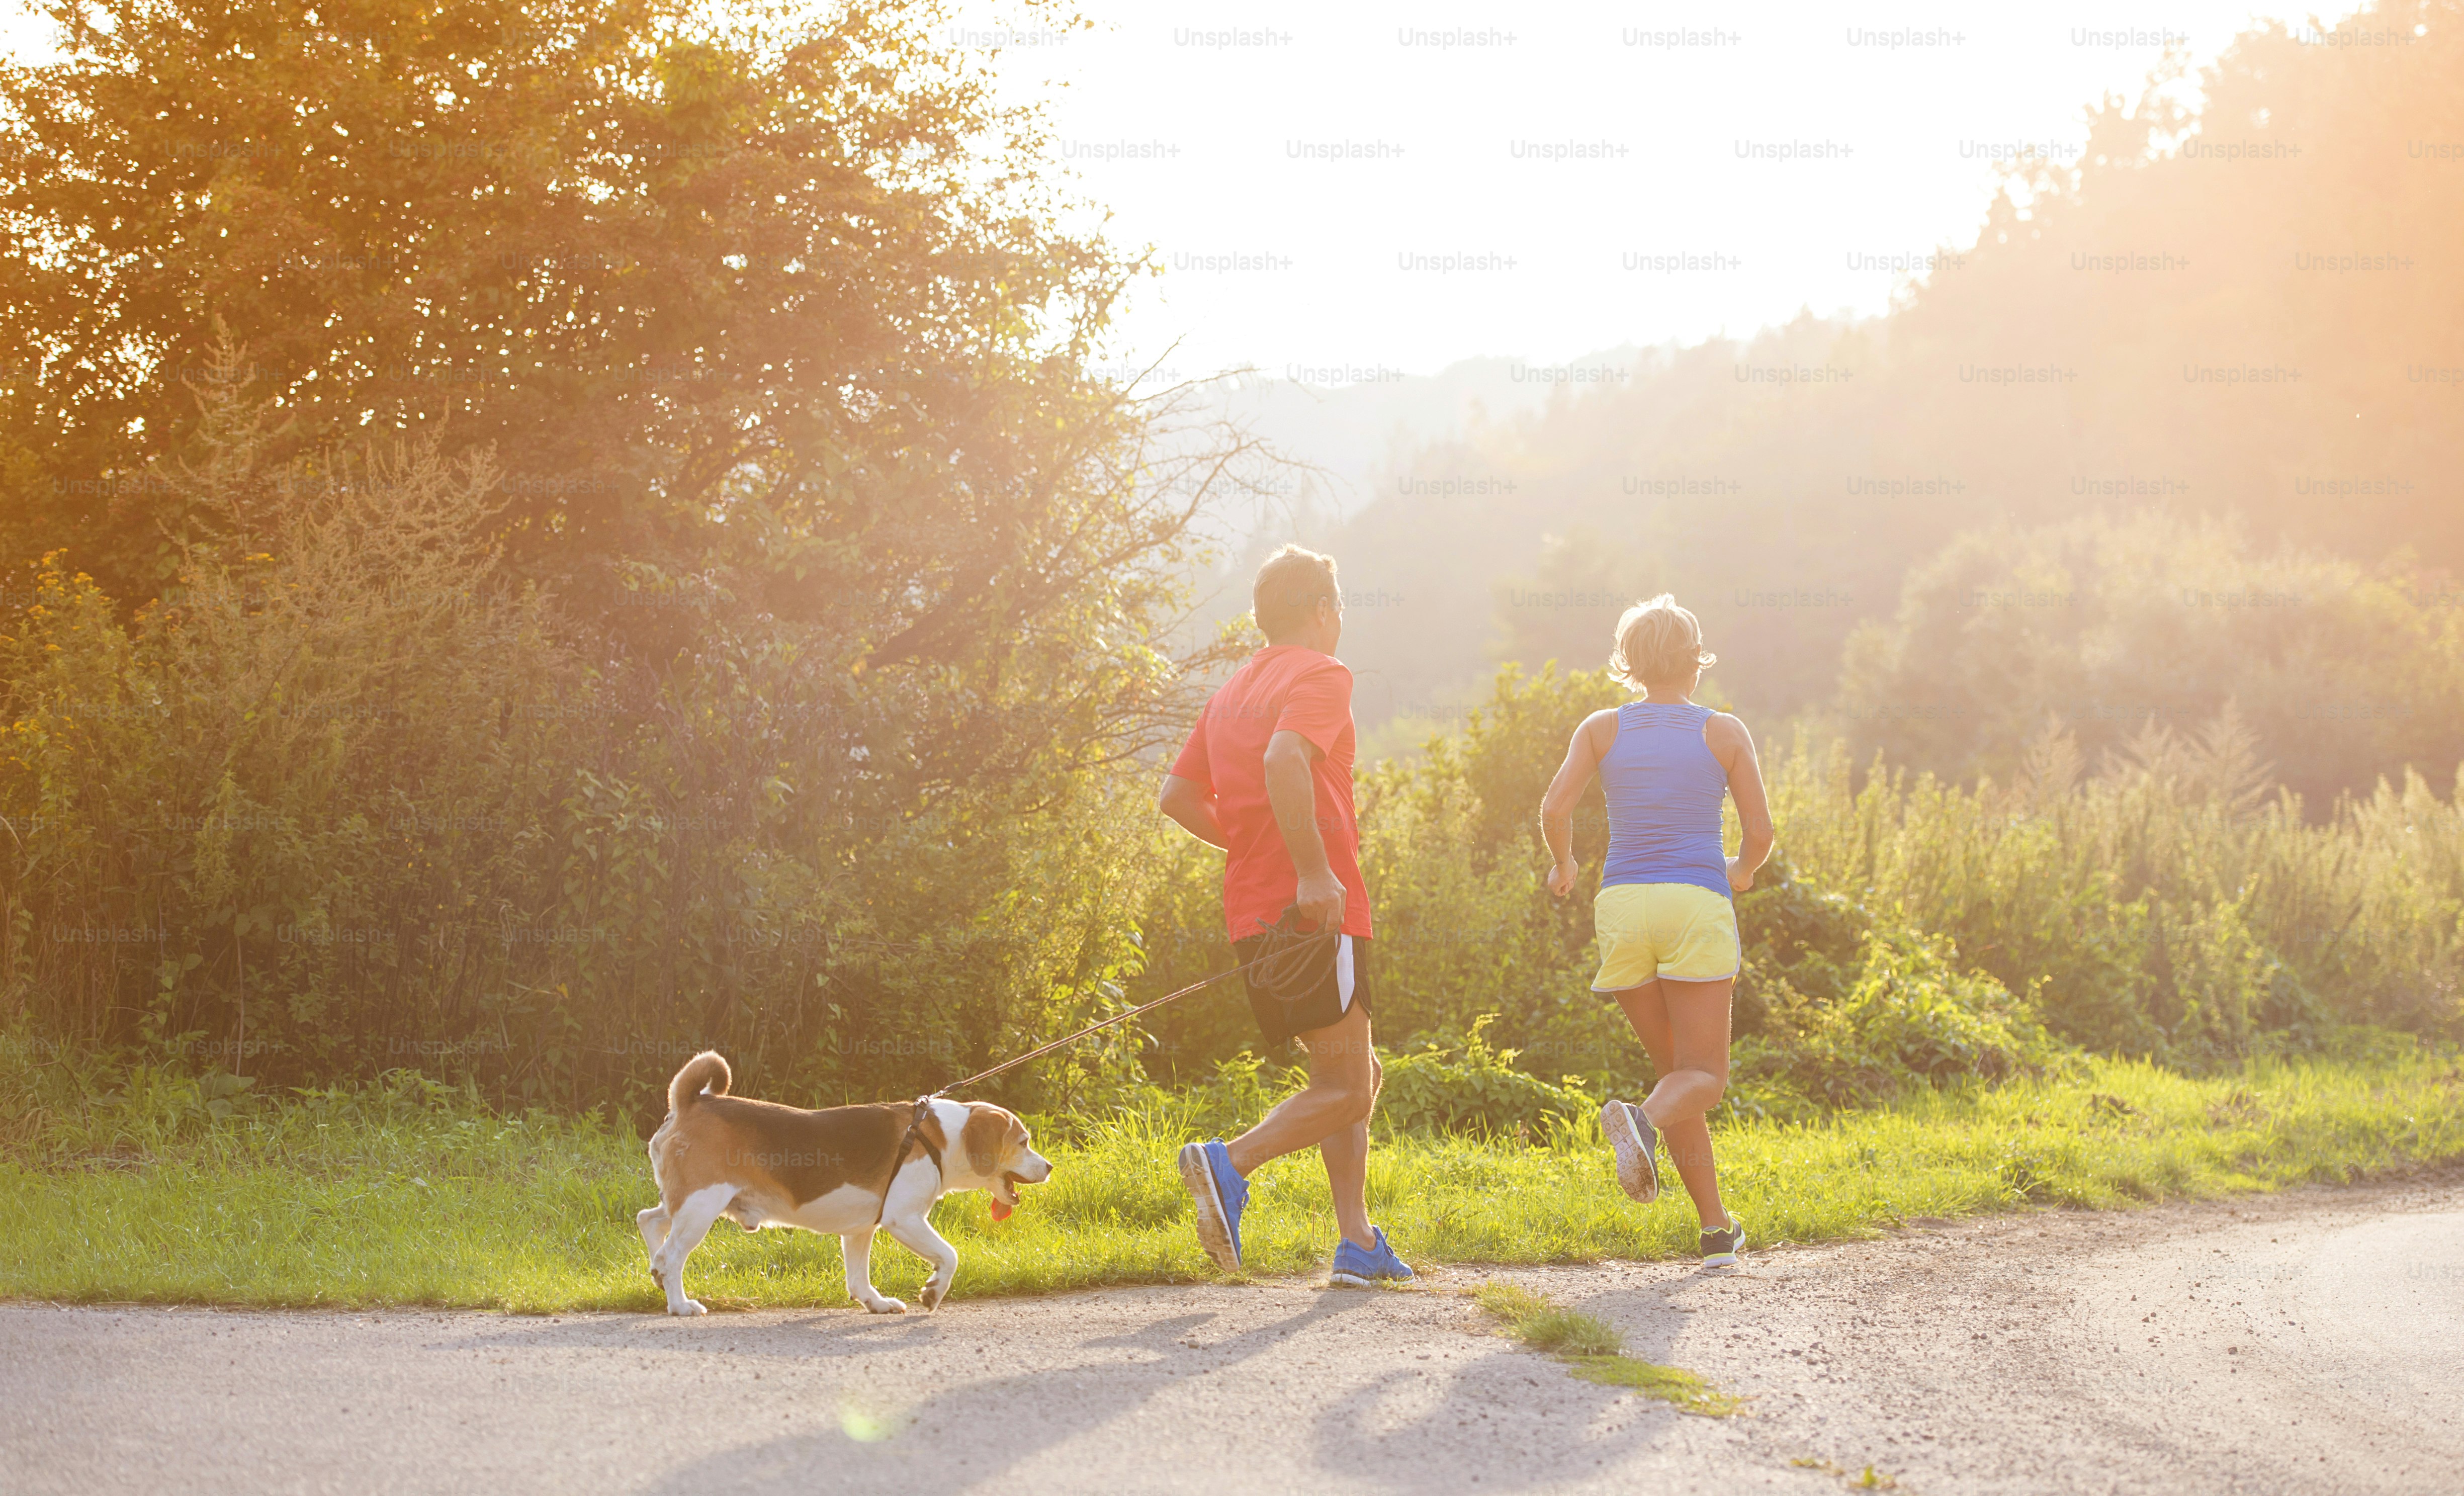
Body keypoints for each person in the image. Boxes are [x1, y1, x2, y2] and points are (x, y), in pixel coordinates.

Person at [1156, 544, 1413, 1287]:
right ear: (1326, 612)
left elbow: (1176, 796)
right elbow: (1282, 760)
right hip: (1313, 909)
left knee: (1354, 1070)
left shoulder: (1231, 689)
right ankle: (1228, 1166)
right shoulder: (1322, 674)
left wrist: (1255, 848)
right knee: (1350, 1085)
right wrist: (1308, 870)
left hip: (1255, 909)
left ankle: (1358, 1242)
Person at [1539, 594, 1773, 1268]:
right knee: (1703, 1077)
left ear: (1631, 664)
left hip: (1621, 905)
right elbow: (1759, 832)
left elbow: (1556, 805)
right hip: (1694, 901)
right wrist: (1745, 871)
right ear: (1695, 662)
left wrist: (1565, 862)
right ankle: (1637, 1120)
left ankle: (1715, 1230)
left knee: (1677, 1074)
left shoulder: (1600, 727)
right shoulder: (1723, 731)